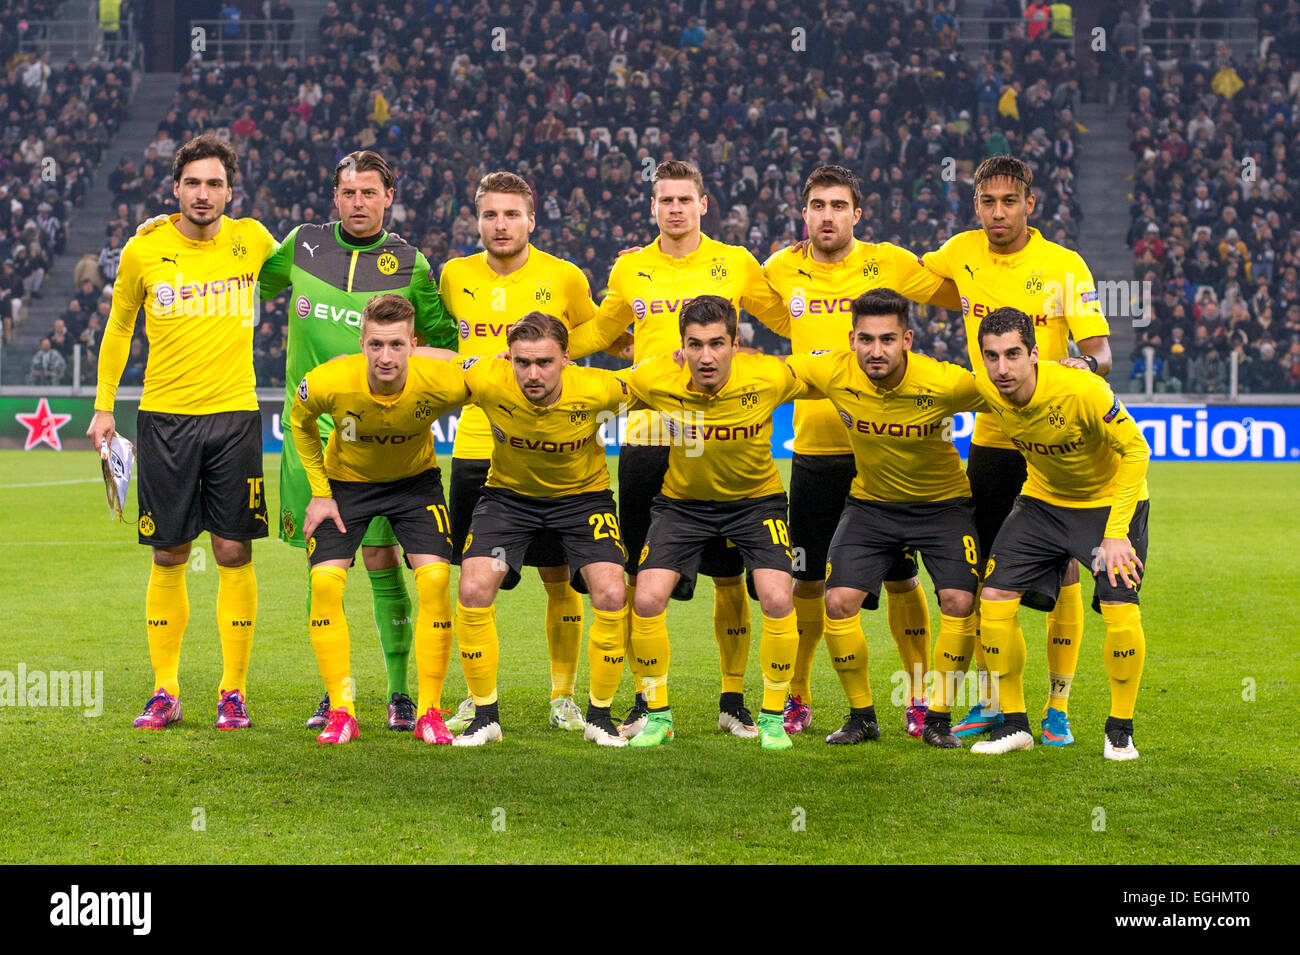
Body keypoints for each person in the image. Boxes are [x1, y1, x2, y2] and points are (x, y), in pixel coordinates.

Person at [567, 160, 787, 740]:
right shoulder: (631, 269)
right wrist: (548, 347)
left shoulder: (735, 263)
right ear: (652, 207)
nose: (674, 209)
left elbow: (785, 321)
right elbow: (600, 331)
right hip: (648, 433)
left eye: (684, 199)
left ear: (703, 204)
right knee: (642, 575)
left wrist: (841, 328)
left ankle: (733, 700)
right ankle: (648, 701)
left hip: (717, 434)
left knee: (729, 576)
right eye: (664, 200)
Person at [759, 163, 962, 738]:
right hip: (817, 452)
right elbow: (724, 295)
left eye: (838, 205)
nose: (828, 215)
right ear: (805, 215)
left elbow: (960, 296)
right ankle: (796, 696)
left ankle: (920, 697)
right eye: (817, 205)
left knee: (902, 579)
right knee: (808, 580)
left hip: (884, 452)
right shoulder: (782, 268)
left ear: (857, 213)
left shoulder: (891, 263)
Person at [259, 150, 457, 732]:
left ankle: (400, 693)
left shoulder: (411, 265)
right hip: (311, 438)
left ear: (388, 197)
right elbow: (243, 274)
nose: (358, 203)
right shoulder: (301, 245)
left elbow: (446, 336)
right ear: (335, 195)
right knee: (322, 568)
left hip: (380, 434)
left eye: (370, 193)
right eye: (348, 193)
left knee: (381, 557)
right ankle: (334, 694)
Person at [87, 133, 277, 730]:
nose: (203, 193)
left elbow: (314, 266)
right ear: (175, 190)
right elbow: (119, 329)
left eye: (215, 183)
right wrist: (102, 407)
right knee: (169, 552)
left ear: (230, 190)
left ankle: (233, 691)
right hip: (164, 417)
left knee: (232, 548)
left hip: (235, 416)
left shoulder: (254, 241)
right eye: (192, 183)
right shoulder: (143, 250)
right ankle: (165, 689)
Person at [922, 155, 1112, 746]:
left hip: (1053, 446)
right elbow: (903, 277)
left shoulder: (1062, 266)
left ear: (1031, 203)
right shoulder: (961, 253)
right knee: (984, 577)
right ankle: (990, 698)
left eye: (1009, 201)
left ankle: (1057, 705)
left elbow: (1102, 351)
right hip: (990, 443)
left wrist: (1081, 364)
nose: (998, 212)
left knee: (1066, 581)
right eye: (987, 202)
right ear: (975, 205)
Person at [439, 171, 629, 736]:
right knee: (475, 583)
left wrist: (623, 344)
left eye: (511, 214)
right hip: (482, 450)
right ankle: (478, 702)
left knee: (559, 577)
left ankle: (565, 696)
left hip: (562, 459)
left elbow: (592, 335)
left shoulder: (564, 277)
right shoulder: (454, 275)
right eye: (490, 215)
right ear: (477, 219)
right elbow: (438, 341)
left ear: (531, 219)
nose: (501, 225)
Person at [786, 289, 984, 747]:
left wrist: (1074, 373)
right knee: (836, 602)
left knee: (958, 601)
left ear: (907, 339)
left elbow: (1007, 388)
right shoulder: (834, 370)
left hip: (943, 506)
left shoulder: (944, 381)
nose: (877, 350)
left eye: (888, 340)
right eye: (867, 339)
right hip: (870, 505)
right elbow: (771, 372)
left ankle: (935, 716)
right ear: (851, 338)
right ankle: (862, 716)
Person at [618, 296, 814, 751]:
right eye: (695, 345)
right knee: (645, 599)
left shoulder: (768, 376)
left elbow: (834, 370)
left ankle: (770, 717)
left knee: (778, 596)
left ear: (735, 342)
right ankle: (658, 714)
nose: (706, 357)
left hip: (756, 504)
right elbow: (594, 388)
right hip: (681, 505)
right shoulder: (655, 377)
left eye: (717, 344)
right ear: (681, 346)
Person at [451, 312, 636, 747]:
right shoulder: (487, 376)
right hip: (508, 499)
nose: (533, 374)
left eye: (545, 363)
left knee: (611, 592)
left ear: (566, 359)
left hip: (583, 500)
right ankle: (485, 717)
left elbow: (654, 381)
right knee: (474, 587)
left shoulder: (598, 388)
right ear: (508, 358)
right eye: (522, 362)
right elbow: (431, 363)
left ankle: (599, 717)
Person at [290, 294, 469, 744]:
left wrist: (503, 361)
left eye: (396, 345)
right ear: (362, 342)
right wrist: (319, 493)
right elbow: (301, 422)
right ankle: (342, 710)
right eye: (375, 345)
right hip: (346, 485)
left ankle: (430, 711)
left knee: (433, 580)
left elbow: (491, 377)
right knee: (326, 582)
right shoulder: (330, 380)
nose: (385, 357)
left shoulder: (442, 380)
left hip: (415, 484)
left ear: (414, 343)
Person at [972, 307, 1149, 760]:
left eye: (1013, 354)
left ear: (1034, 354)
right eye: (991, 356)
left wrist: (1115, 534)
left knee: (1117, 608)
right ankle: (1015, 724)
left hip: (1107, 507)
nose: (1002, 368)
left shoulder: (1080, 389)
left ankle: (1120, 729)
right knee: (992, 599)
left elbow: (1136, 449)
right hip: (1041, 504)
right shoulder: (985, 389)